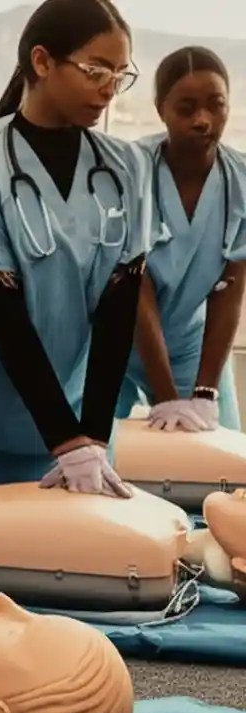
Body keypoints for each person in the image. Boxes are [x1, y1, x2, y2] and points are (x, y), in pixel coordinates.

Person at [0, 0, 150, 564]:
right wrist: (69, 443)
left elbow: (119, 311)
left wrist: (90, 437)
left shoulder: (126, 170)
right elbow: (5, 320)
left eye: (120, 75)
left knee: (54, 567)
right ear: (41, 62)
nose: (109, 89)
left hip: (58, 409)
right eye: (96, 70)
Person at [119, 47, 246, 433]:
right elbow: (135, 289)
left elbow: (230, 287)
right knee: (94, 464)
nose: (203, 120)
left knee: (222, 460)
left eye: (215, 105)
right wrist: (166, 396)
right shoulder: (130, 171)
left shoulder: (240, 181)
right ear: (161, 109)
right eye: (186, 108)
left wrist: (204, 392)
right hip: (111, 341)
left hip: (190, 345)